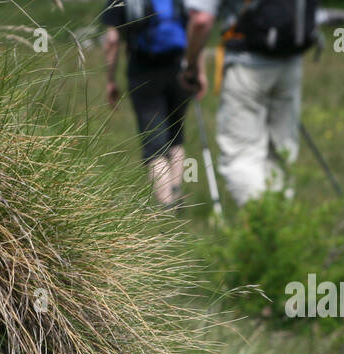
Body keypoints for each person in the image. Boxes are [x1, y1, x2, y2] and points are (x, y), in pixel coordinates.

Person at [180, 0, 319, 207]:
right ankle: (281, 223)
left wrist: (191, 64)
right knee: (281, 150)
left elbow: (201, 20)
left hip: (247, 64)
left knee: (242, 154)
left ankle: (263, 225)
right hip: (291, 62)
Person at [101, 0, 193, 208]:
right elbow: (194, 23)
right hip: (178, 67)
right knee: (176, 137)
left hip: (143, 70)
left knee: (154, 145)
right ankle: (177, 196)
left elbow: (113, 39)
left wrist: (110, 79)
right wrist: (196, 70)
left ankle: (167, 208)